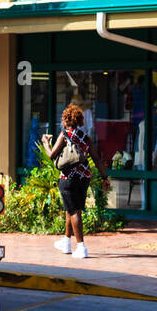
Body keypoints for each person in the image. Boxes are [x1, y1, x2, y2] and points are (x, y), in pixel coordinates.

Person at [44, 104, 109, 259]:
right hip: (84, 177)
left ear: (66, 119)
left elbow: (52, 155)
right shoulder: (86, 138)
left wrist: (46, 143)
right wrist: (105, 177)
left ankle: (81, 247)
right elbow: (96, 159)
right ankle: (66, 241)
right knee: (73, 209)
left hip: (68, 179)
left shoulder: (65, 135)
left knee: (73, 211)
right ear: (79, 120)